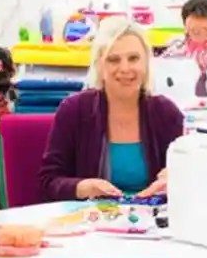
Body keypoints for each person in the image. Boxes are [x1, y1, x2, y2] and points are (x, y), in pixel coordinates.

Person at [39, 19, 183, 201]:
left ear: (146, 63)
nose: (125, 68)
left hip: (154, 223)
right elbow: (48, 182)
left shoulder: (165, 113)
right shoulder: (74, 111)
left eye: (134, 58)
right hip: (90, 222)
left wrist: (177, 178)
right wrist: (83, 187)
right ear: (99, 65)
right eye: (113, 60)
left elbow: (193, 172)